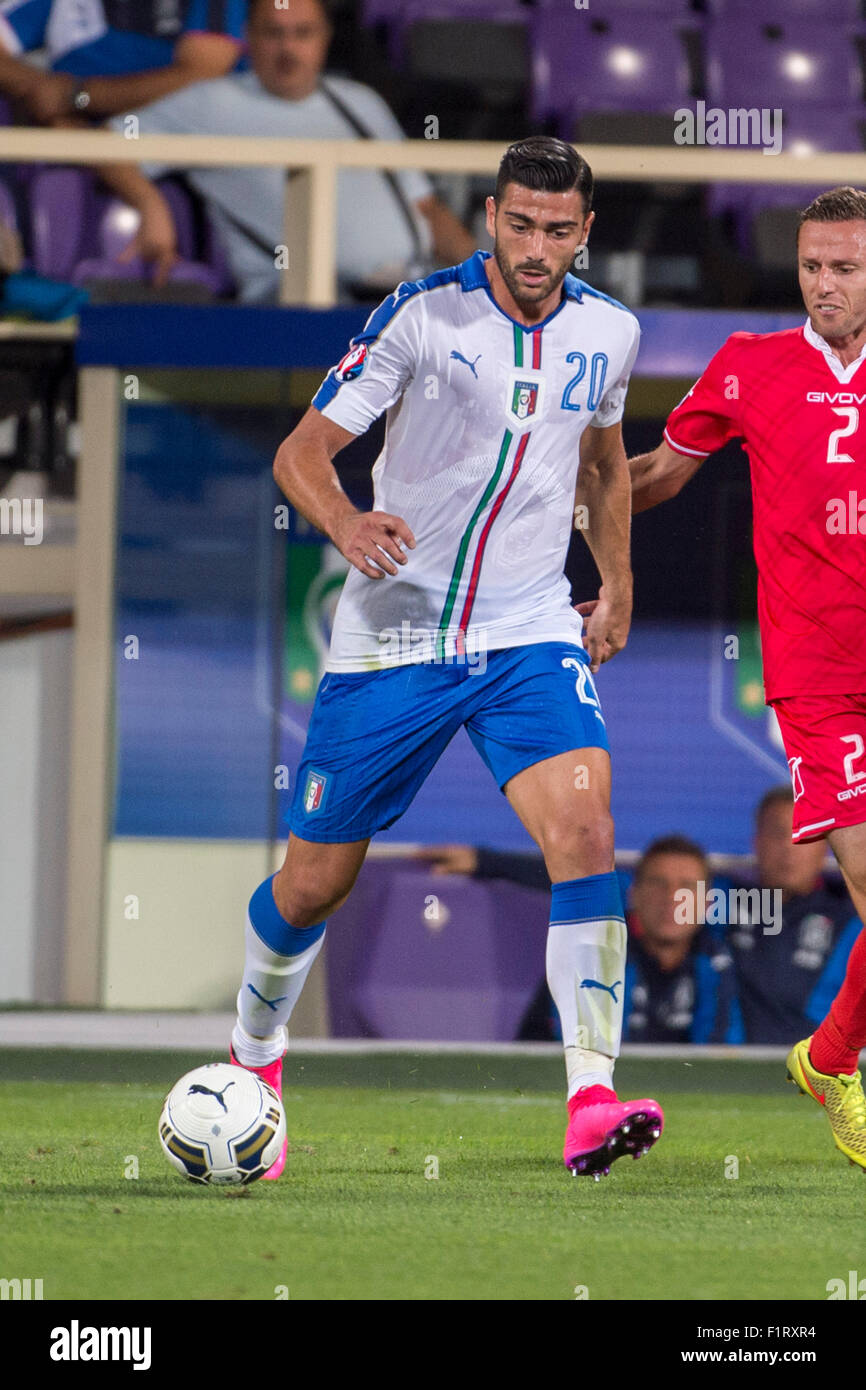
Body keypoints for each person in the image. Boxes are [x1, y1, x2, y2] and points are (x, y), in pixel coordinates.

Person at [228, 134, 663, 1182]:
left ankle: (589, 1099)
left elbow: (603, 467)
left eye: (557, 230)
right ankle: (253, 1061)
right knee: (313, 885)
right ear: (490, 217)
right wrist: (344, 524)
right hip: (395, 635)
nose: (534, 246)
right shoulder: (423, 315)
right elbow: (302, 453)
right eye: (518, 223)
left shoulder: (610, 331)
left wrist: (617, 581)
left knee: (584, 825)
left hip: (527, 627)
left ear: (583, 233)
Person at [629, 184, 866, 1170]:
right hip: (820, 678)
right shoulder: (749, 367)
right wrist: (559, 500)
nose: (822, 285)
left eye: (842, 268)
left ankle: (824, 1055)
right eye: (810, 265)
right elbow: (656, 475)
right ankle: (836, 1062)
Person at [97, 0, 474, 299]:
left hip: (412, 295)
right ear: (248, 36)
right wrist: (152, 206)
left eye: (302, 33)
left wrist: (486, 276)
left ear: (325, 37)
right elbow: (107, 142)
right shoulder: (210, 102)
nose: (288, 48)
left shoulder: (361, 102)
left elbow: (427, 209)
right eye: (273, 33)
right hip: (296, 306)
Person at [424, 836, 742, 1045]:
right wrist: (486, 863)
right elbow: (572, 879)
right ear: (634, 893)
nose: (672, 898)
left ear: (709, 903)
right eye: (658, 884)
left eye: (686, 886)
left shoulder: (724, 956)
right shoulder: (591, 952)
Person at [728, 786, 861, 1045]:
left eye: (805, 834)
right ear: (755, 842)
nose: (789, 846)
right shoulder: (720, 908)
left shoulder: (853, 923)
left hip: (812, 1075)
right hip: (725, 1074)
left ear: (825, 845)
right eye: (778, 833)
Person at [0, 0, 244, 122]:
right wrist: (43, 93)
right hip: (79, 147)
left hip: (178, 153)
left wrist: (77, 97)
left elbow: (201, 77)